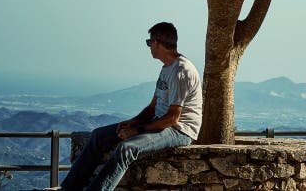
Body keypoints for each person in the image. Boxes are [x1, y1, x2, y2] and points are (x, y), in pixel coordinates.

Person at [52, 22, 202, 191]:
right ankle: (69, 188)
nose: (149, 47)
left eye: (149, 42)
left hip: (179, 130)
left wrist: (137, 130)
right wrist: (133, 122)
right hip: (159, 121)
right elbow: (153, 107)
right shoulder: (166, 69)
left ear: (157, 43)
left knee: (126, 149)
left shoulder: (182, 71)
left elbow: (172, 118)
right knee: (98, 136)